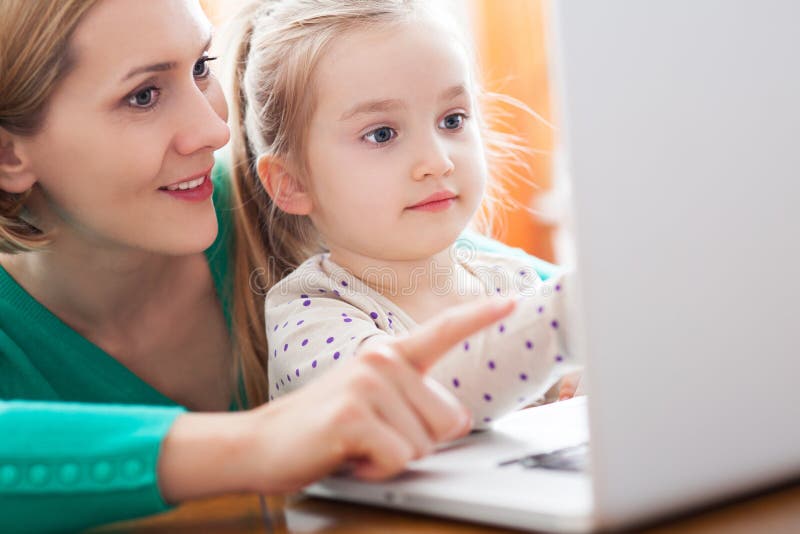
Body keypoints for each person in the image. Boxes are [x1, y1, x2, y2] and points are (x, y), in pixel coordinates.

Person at [0, 1, 558, 531]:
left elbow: (536, 299)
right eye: (143, 96)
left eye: (200, 67)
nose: (216, 131)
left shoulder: (253, 200)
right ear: (9, 153)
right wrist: (255, 445)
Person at [231, 0, 580, 426]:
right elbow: (417, 399)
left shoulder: (514, 283)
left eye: (452, 120)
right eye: (382, 134)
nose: (437, 161)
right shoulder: (308, 314)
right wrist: (564, 320)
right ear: (292, 183)